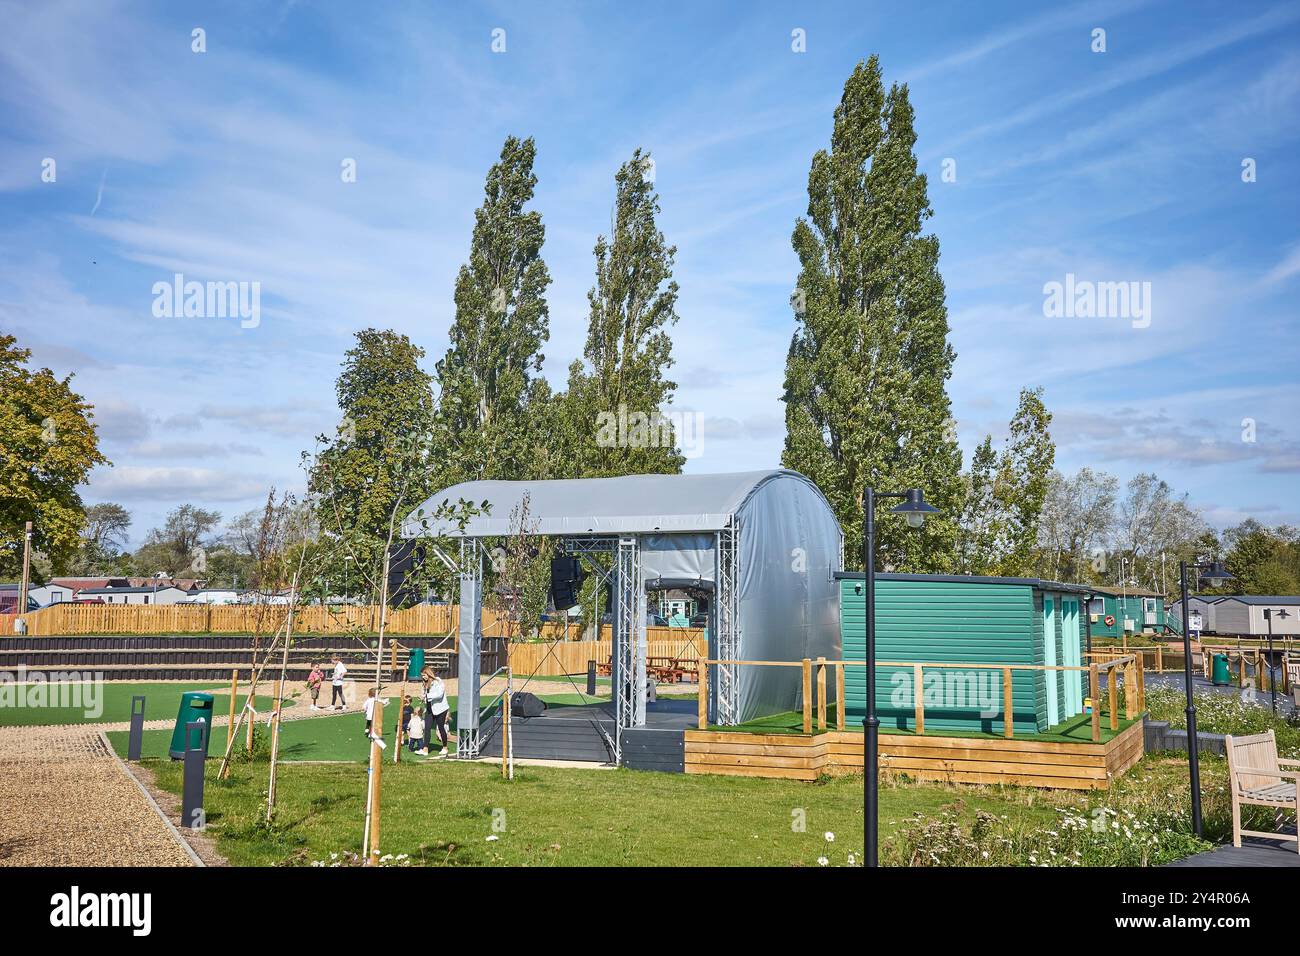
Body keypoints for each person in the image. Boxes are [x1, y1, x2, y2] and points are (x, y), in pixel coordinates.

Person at [424, 671, 450, 756]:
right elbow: (425, 694)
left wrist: (428, 696)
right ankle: (425, 749)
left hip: (440, 709)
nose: (423, 677)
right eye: (422, 676)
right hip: (429, 708)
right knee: (427, 727)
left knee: (441, 727)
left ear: (428, 674)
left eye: (424, 675)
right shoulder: (424, 683)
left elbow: (439, 694)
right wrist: (423, 698)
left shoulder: (438, 681)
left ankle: (445, 747)